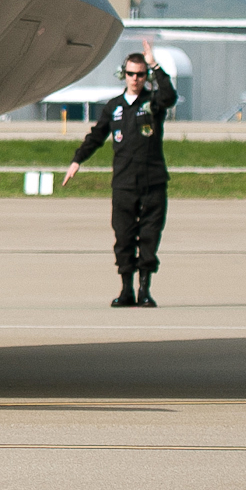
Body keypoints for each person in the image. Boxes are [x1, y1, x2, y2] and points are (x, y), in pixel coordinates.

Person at [60, 52, 175, 307]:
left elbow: (170, 96)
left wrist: (156, 66)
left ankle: (144, 290)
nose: (135, 79)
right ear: (124, 74)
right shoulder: (114, 107)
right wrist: (77, 160)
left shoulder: (153, 103)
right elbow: (96, 135)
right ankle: (126, 290)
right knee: (123, 236)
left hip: (152, 182)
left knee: (149, 236)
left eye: (141, 74)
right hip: (123, 184)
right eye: (131, 74)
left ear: (147, 76)